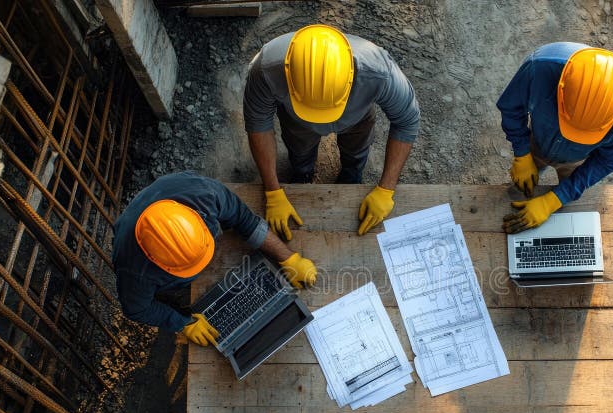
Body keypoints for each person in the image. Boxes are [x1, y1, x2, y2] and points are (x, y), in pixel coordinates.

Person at [243, 24, 420, 238]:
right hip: (297, 122)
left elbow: (407, 121)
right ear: (288, 76)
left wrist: (386, 188)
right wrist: (272, 191)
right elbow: (258, 123)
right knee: (299, 151)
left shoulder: (378, 72)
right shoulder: (266, 70)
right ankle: (302, 173)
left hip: (357, 118)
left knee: (356, 151)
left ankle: (351, 175)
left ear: (351, 79)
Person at [112, 171, 317, 346]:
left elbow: (243, 219)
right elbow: (137, 309)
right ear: (158, 265)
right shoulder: (134, 271)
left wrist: (288, 258)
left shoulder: (202, 193)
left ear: (196, 219)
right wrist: (181, 323)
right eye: (188, 268)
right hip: (161, 285)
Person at [497, 42, 613, 233]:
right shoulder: (539, 68)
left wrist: (555, 199)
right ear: (560, 89)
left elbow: (608, 160)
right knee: (519, 189)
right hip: (537, 142)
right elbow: (511, 108)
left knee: (566, 204)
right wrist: (522, 153)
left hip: (577, 161)